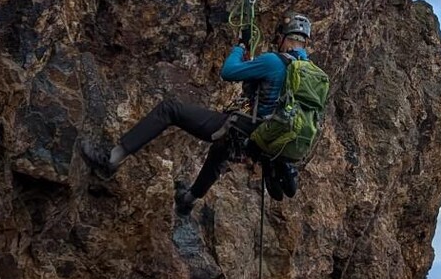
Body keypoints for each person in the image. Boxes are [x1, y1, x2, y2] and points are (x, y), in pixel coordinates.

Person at [80, 15, 316, 212]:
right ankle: (188, 201)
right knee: (219, 152)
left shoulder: (275, 61)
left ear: (285, 37)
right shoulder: (311, 75)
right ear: (304, 42)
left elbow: (229, 72)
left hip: (244, 129)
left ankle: (110, 160)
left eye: (278, 38)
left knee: (170, 109)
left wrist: (239, 47)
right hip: (267, 141)